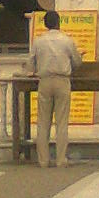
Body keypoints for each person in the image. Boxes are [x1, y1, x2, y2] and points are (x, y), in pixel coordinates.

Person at [29, 10, 83, 167]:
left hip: (44, 81)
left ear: (45, 24)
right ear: (59, 23)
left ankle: (43, 160)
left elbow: (31, 63)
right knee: (61, 122)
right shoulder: (67, 40)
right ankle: (61, 160)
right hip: (62, 81)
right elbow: (77, 62)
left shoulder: (38, 42)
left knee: (43, 122)